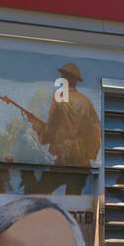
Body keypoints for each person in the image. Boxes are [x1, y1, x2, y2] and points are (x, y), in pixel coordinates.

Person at [28, 63, 100, 195]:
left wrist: (36, 125)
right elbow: (96, 131)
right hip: (82, 165)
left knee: (39, 193)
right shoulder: (86, 101)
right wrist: (88, 155)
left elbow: (49, 132)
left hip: (63, 162)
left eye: (63, 75)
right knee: (74, 204)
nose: (60, 77)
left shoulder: (59, 97)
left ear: (67, 78)